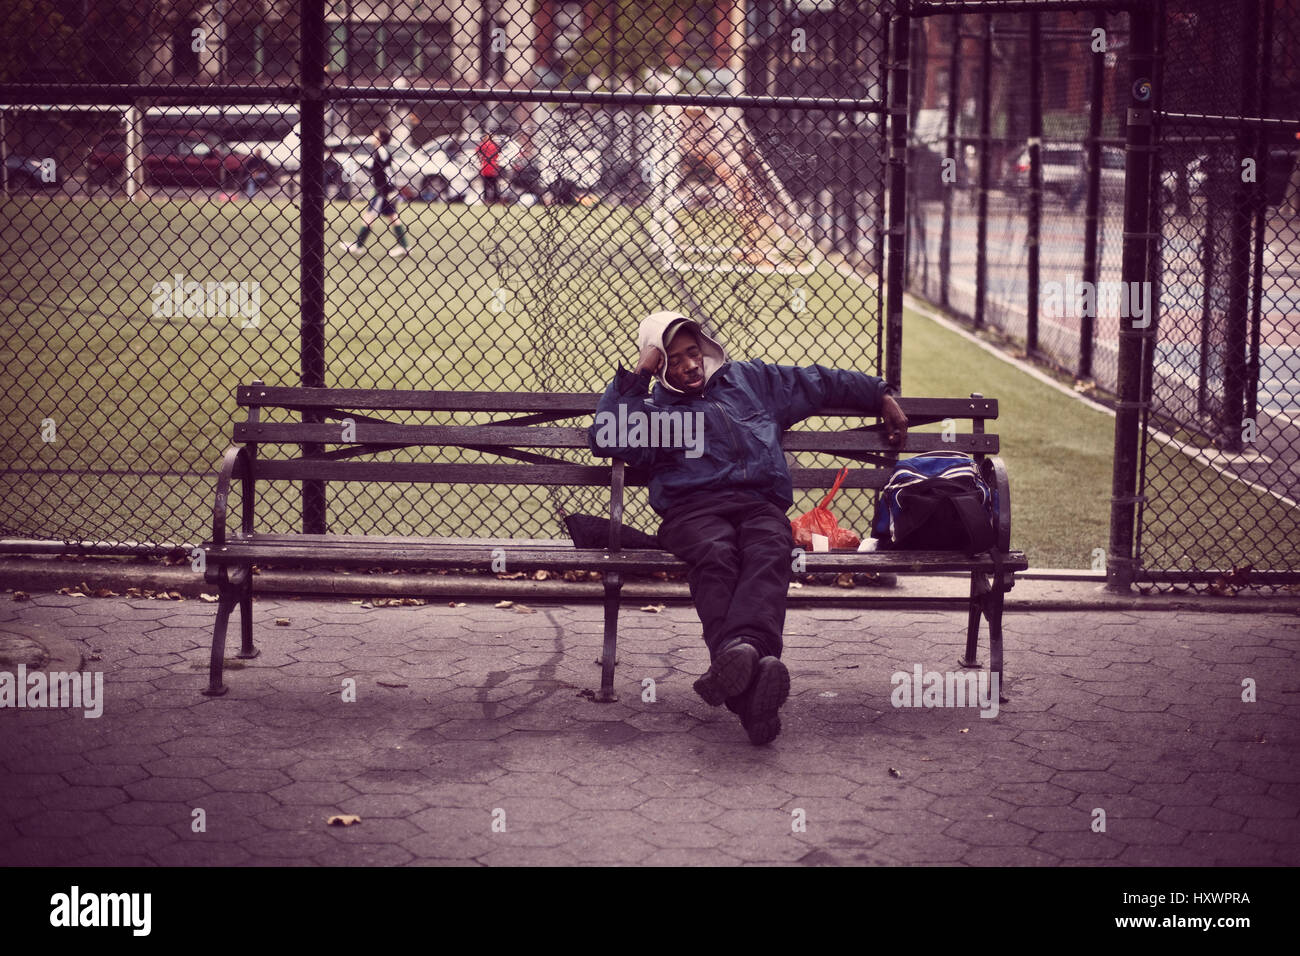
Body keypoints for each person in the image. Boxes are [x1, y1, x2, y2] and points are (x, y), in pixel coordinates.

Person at [587, 311, 909, 744]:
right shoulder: (652, 410)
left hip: (759, 505)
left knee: (769, 551)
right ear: (659, 365)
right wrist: (639, 376)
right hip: (692, 512)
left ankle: (740, 666)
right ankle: (752, 679)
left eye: (693, 352)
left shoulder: (752, 381)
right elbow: (608, 438)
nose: (689, 365)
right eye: (673, 359)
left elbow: (817, 381)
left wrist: (879, 394)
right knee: (717, 556)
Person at [340, 127, 409, 258]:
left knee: (370, 216)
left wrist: (389, 189)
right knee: (393, 217)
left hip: (382, 192)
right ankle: (404, 247)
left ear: (380, 139)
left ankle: (358, 246)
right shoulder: (379, 151)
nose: (372, 136)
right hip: (384, 190)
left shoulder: (382, 151)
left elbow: (387, 171)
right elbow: (376, 169)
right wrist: (359, 162)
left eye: (374, 134)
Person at [477, 133, 501, 205]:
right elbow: (498, 154)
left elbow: (477, 151)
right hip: (493, 165)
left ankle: (486, 199)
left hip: (485, 165)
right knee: (495, 184)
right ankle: (496, 199)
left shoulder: (482, 144)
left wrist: (480, 159)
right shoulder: (495, 145)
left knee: (485, 185)